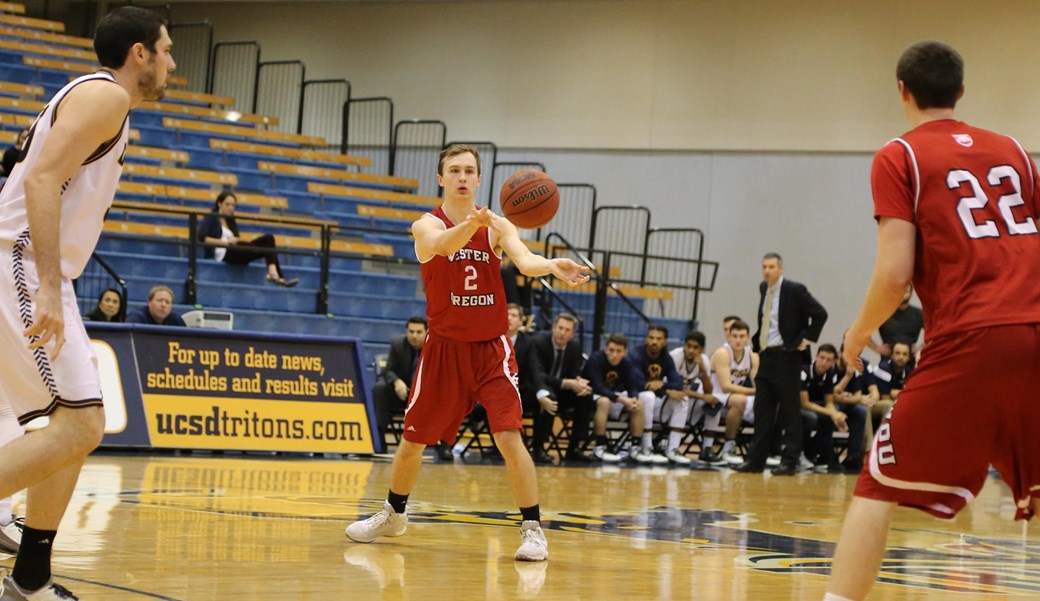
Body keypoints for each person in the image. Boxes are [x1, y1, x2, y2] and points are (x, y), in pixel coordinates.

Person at [827, 41, 1040, 601]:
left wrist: (856, 332)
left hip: (973, 335)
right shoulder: (1016, 152)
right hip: (1035, 326)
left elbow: (896, 273)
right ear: (961, 92)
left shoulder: (900, 156)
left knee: (878, 483)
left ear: (902, 90)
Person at [0, 7, 174, 599]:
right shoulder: (107, 97)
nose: (172, 63)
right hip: (22, 262)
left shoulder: (91, 97)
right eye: (167, 50)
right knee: (80, 425)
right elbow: (40, 181)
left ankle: (30, 577)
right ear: (139, 54)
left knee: (74, 424)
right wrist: (48, 283)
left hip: (32, 265)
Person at [345, 144, 589, 562]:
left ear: (478, 180)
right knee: (411, 441)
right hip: (444, 349)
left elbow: (525, 261)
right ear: (441, 178)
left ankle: (533, 530)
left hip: (491, 349)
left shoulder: (496, 226)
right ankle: (393, 514)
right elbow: (440, 245)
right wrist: (471, 224)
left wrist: (551, 265)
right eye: (454, 170)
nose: (462, 177)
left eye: (469, 171)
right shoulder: (425, 224)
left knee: (509, 436)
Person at [736, 252, 827, 476]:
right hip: (767, 356)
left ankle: (790, 461)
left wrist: (804, 341)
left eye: (772, 267)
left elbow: (820, 314)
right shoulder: (763, 288)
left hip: (787, 357)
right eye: (764, 267)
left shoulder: (794, 290)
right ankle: (755, 460)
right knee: (763, 409)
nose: (767, 271)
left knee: (789, 411)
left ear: (781, 269)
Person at [583, 333, 664, 464]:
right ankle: (600, 448)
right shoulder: (595, 359)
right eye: (611, 350)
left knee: (639, 403)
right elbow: (598, 387)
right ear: (605, 349)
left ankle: (635, 449)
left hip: (614, 397)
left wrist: (633, 399)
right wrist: (622, 400)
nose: (614, 355)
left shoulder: (627, 363)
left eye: (618, 351)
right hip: (590, 397)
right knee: (604, 401)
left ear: (625, 352)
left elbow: (633, 386)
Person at [529, 313, 595, 464]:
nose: (562, 332)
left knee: (585, 396)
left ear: (572, 334)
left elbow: (574, 373)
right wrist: (567, 383)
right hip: (537, 388)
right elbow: (538, 374)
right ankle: (538, 448)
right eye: (560, 328)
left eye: (567, 330)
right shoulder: (538, 343)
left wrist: (579, 383)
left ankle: (574, 448)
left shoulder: (575, 347)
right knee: (549, 396)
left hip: (562, 391)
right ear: (553, 328)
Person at [198, 190, 299, 287]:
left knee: (268, 239)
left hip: (235, 250)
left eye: (233, 205)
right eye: (227, 204)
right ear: (219, 204)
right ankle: (275, 276)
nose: (230, 208)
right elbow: (202, 237)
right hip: (223, 253)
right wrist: (225, 243)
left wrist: (239, 240)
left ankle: (274, 273)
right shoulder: (212, 217)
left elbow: (236, 238)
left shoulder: (231, 220)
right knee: (262, 247)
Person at [629, 325, 690, 465]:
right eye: (651, 338)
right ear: (646, 339)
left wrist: (663, 384)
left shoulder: (666, 358)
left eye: (658, 339)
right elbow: (640, 384)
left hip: (652, 403)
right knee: (648, 396)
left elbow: (678, 384)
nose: (654, 342)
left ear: (665, 342)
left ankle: (673, 448)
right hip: (634, 400)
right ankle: (647, 447)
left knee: (682, 398)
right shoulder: (636, 355)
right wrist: (666, 391)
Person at [708, 321, 758, 466]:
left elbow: (758, 383)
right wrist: (755, 392)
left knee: (768, 402)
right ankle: (728, 446)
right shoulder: (722, 353)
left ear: (748, 337)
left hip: (734, 398)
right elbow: (725, 386)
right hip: (713, 397)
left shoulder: (752, 356)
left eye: (742, 336)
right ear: (728, 336)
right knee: (740, 400)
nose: (738, 340)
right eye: (734, 336)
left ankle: (763, 449)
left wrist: (762, 394)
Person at [372, 316, 427, 445]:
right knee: (380, 389)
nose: (414, 336)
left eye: (419, 332)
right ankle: (377, 439)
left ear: (427, 332)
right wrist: (397, 381)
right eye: (411, 332)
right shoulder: (398, 345)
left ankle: (443, 445)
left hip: (426, 396)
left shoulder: (436, 347)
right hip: (402, 394)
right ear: (406, 332)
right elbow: (388, 370)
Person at [669, 331, 721, 463]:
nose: (691, 350)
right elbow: (675, 388)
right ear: (684, 345)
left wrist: (703, 369)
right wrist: (701, 396)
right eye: (688, 346)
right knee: (683, 398)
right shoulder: (675, 356)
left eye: (695, 347)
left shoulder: (704, 360)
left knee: (714, 402)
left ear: (702, 349)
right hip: (668, 400)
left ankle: (707, 448)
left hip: (686, 403)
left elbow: (709, 391)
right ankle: (673, 448)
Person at [866, 285, 924, 358]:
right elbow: (862, 332)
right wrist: (876, 348)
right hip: (887, 361)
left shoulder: (919, 314)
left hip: (910, 361)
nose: (903, 294)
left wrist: (921, 348)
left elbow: (934, 334)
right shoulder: (883, 313)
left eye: (906, 291)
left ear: (911, 294)